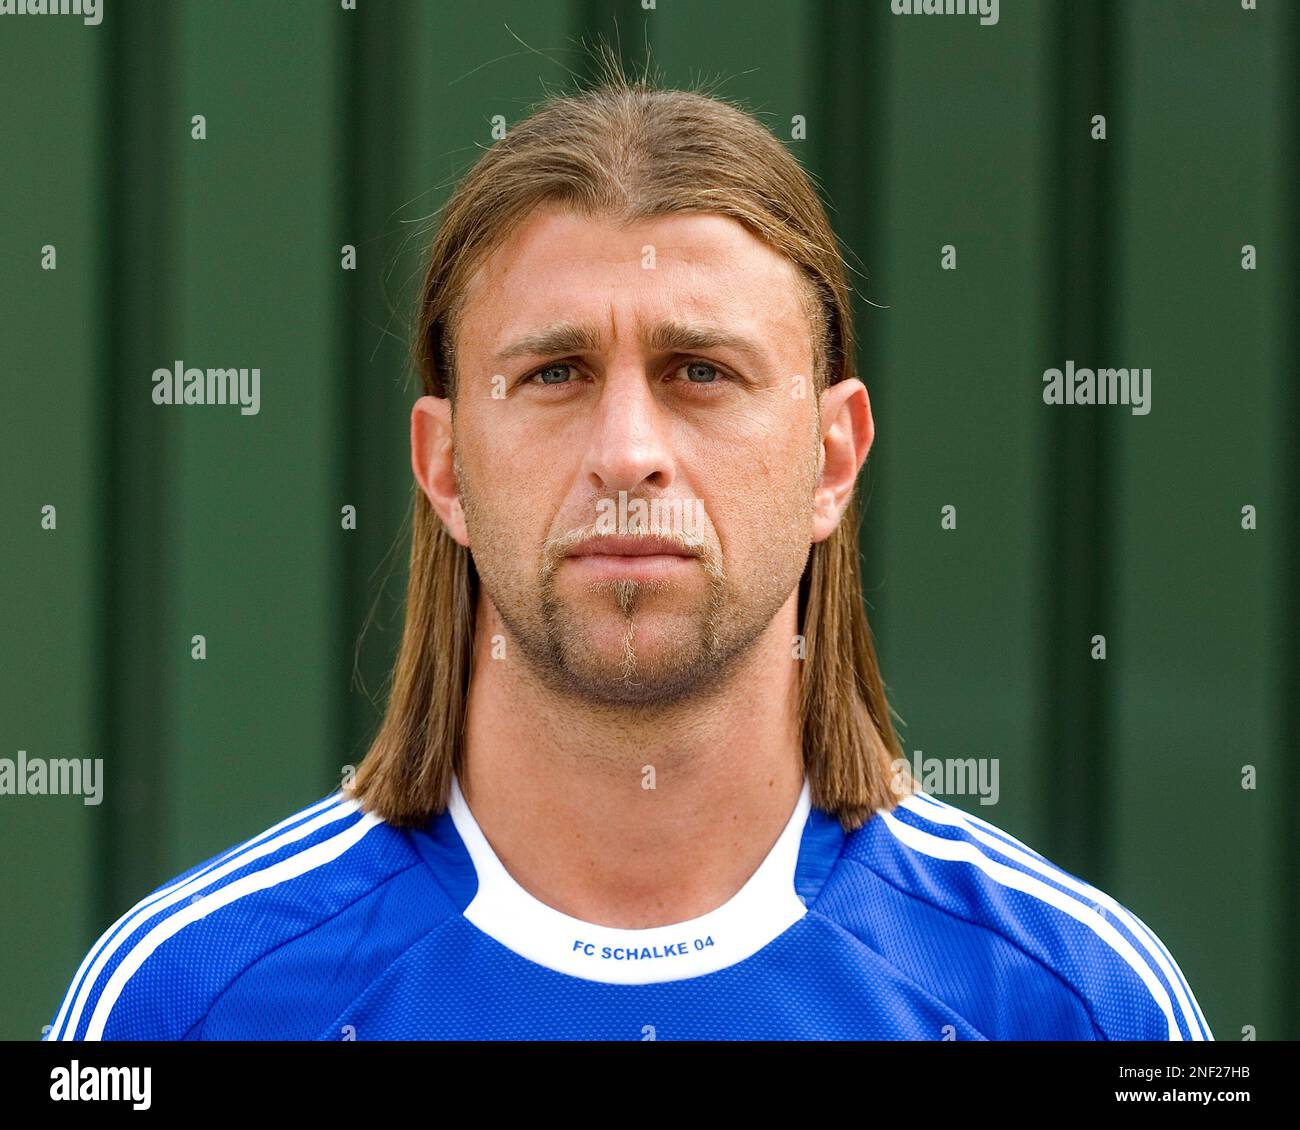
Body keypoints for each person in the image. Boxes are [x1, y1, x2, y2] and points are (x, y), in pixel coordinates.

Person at [45, 51, 1210, 1042]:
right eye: (554, 374)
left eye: (699, 371)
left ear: (832, 458)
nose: (627, 451)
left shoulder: (1074, 1000)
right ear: (445, 465)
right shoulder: (183, 1002)